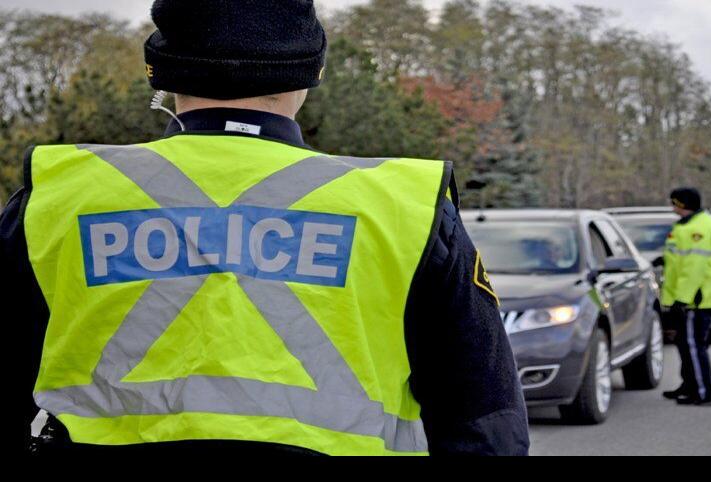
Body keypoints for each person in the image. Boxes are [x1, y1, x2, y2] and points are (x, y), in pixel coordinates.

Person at [3, 0, 528, 457]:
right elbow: (485, 419)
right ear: (310, 72)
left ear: (160, 72)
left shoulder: (58, 193)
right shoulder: (406, 204)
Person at [660, 188, 711, 406]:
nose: (672, 207)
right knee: (684, 343)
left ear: (683, 204)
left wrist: (682, 298)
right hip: (694, 295)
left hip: (696, 298)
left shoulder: (698, 228)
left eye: (674, 203)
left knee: (692, 345)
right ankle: (689, 384)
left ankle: (703, 391)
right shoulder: (692, 224)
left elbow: (694, 267)